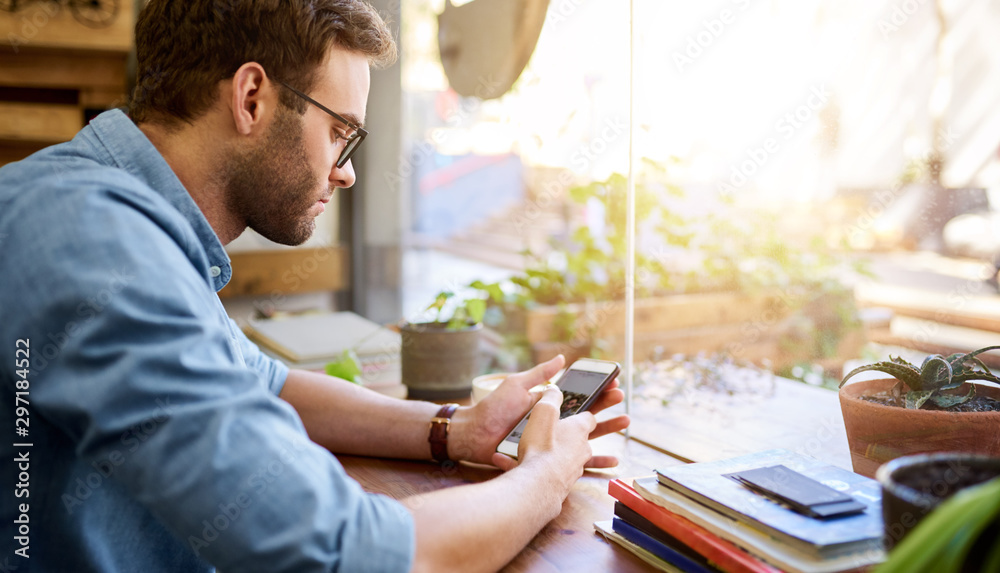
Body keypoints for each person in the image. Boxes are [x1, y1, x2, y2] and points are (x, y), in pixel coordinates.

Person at [0, 1, 629, 572]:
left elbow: (265, 382)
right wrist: (546, 475)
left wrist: (455, 428)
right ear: (252, 99)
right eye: (340, 131)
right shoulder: (96, 244)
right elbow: (348, 556)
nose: (348, 171)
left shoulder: (101, 210)